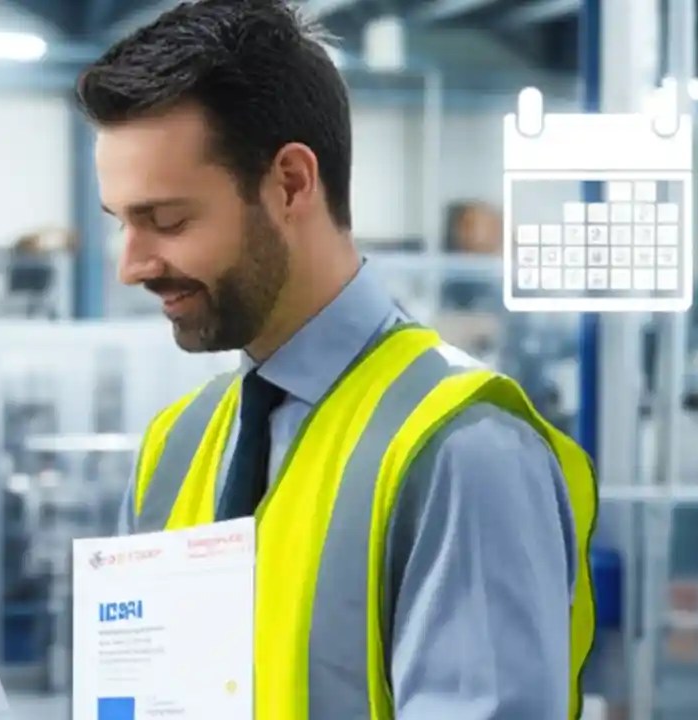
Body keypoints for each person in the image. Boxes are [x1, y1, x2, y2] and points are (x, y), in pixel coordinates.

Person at [74, 1, 598, 718]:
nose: (131, 266)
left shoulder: (462, 452)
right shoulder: (177, 446)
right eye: (120, 224)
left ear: (290, 183)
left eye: (167, 220)